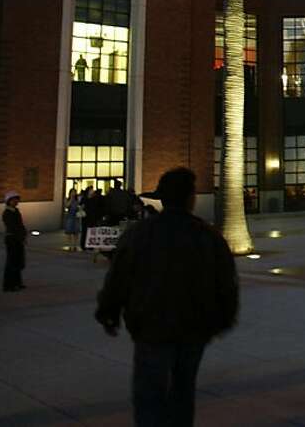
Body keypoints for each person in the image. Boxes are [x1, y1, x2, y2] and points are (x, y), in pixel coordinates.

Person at [96, 168, 238, 427]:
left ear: (162, 198)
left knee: (149, 395)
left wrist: (108, 311)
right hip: (194, 328)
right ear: (191, 198)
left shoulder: (140, 233)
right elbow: (226, 282)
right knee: (183, 392)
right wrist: (223, 319)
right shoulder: (207, 235)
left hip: (151, 326)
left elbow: (118, 276)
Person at [2, 191, 27, 292]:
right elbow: (12, 227)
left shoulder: (16, 211)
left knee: (18, 261)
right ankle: (8, 285)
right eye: (14, 200)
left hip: (18, 239)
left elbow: (20, 224)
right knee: (11, 262)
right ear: (9, 201)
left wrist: (24, 235)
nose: (16, 201)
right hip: (11, 238)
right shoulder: (7, 213)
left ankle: (17, 282)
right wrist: (20, 235)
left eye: (17, 199)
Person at [63, 185, 80, 251]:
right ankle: (70, 245)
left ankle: (75, 245)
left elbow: (79, 206)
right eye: (72, 192)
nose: (73, 194)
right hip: (70, 216)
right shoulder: (67, 199)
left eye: (74, 192)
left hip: (76, 216)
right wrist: (71, 199)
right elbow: (66, 205)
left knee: (76, 232)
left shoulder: (77, 199)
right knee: (69, 232)